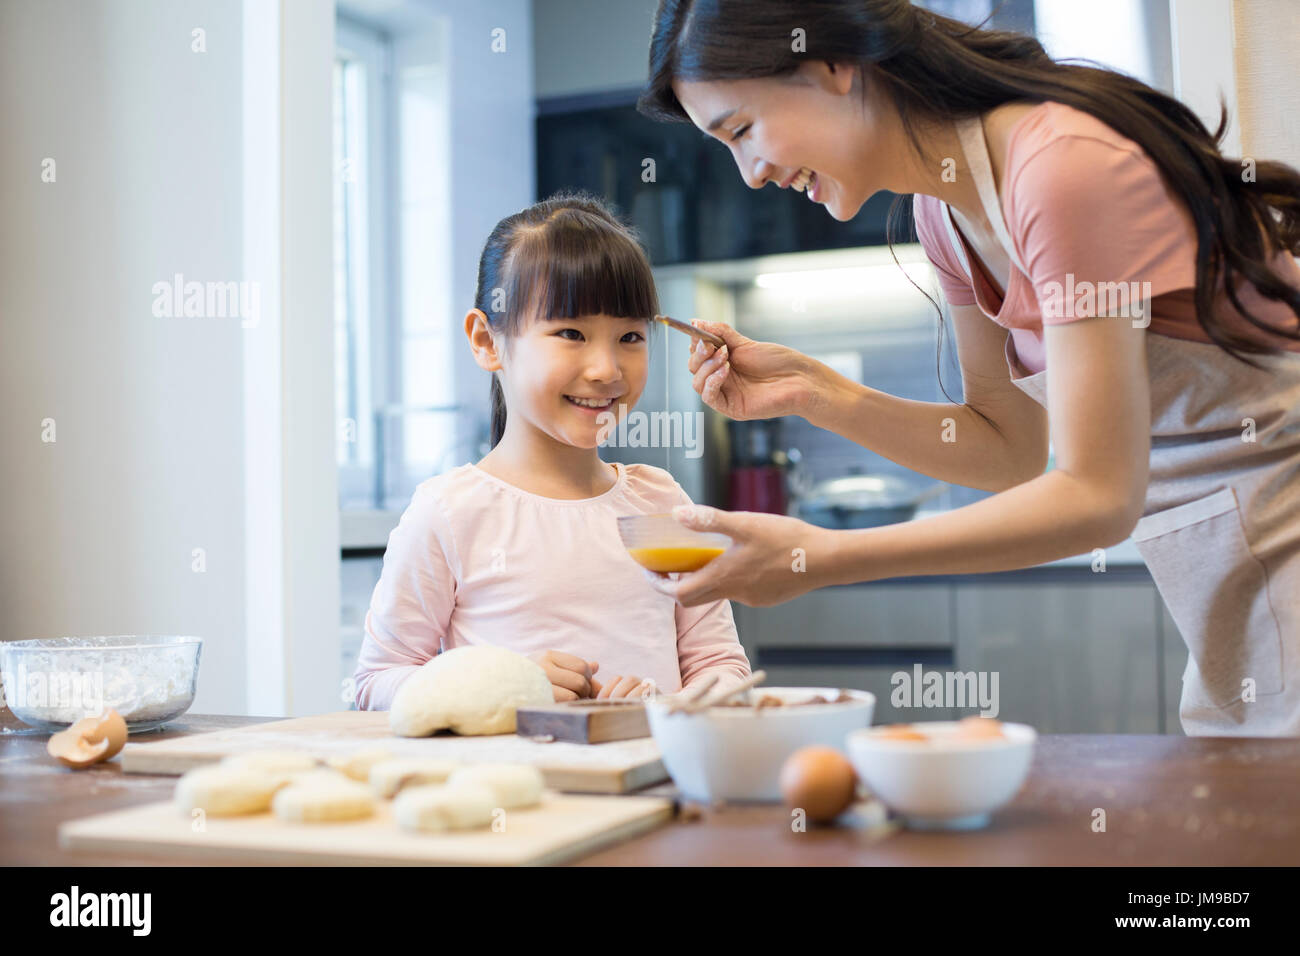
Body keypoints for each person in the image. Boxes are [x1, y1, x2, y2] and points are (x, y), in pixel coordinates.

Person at [636, 0, 1300, 735]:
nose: (750, 174)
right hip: (1233, 591)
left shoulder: (1059, 169)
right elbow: (1008, 447)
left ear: (830, 64)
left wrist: (823, 557)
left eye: (742, 129)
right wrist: (818, 393)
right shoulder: (945, 217)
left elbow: (1098, 495)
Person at [352, 193, 750, 711]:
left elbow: (722, 666)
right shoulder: (449, 512)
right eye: (571, 333)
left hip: (649, 788)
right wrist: (494, 685)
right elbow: (374, 684)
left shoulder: (661, 501)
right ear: (487, 341)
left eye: (630, 335)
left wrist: (670, 705)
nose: (607, 369)